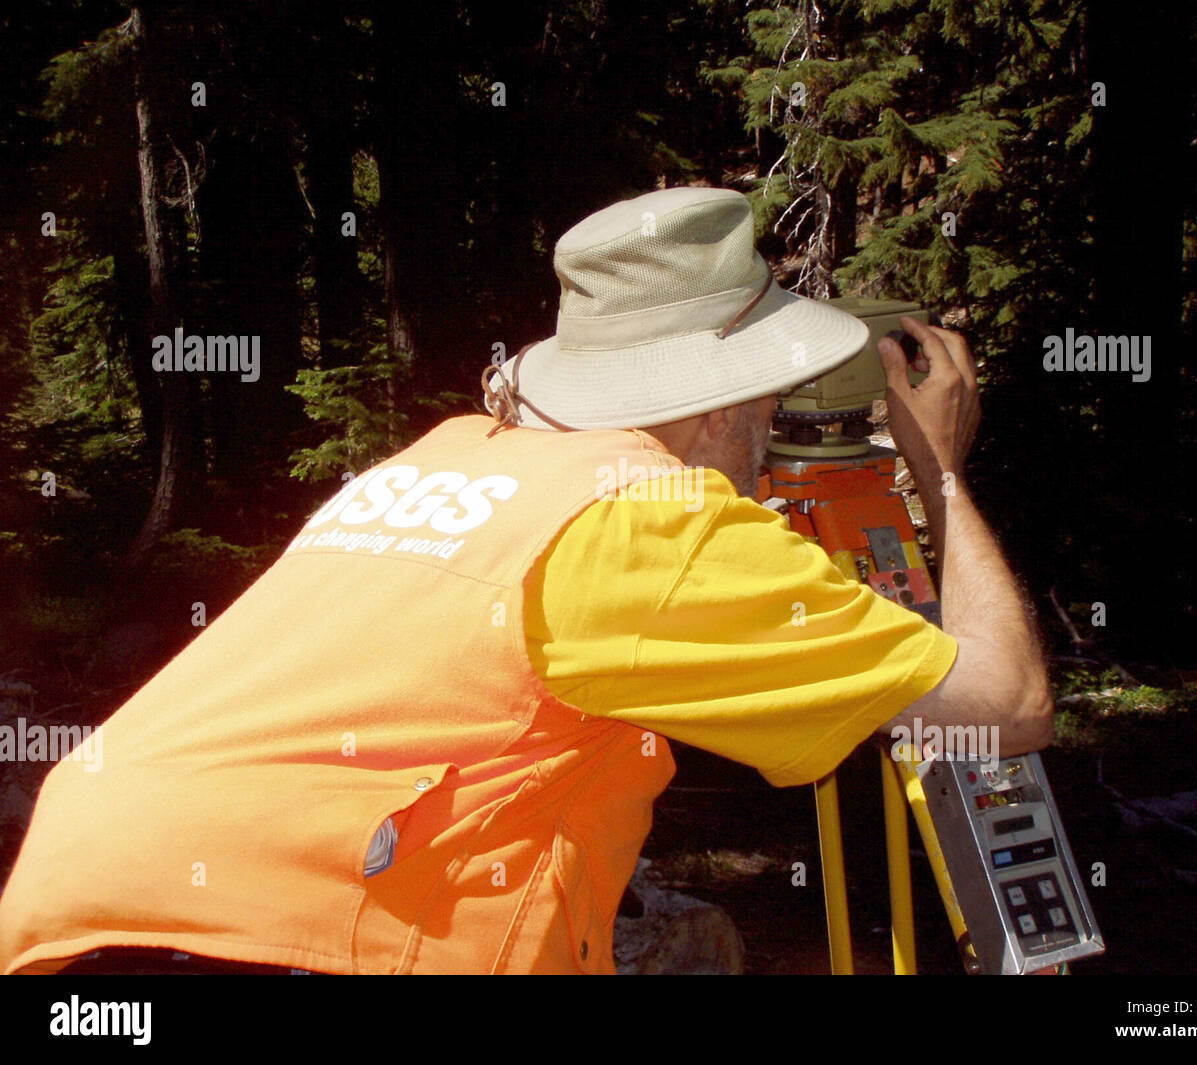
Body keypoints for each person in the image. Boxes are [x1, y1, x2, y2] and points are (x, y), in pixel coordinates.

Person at [0, 186, 1052, 975]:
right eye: (771, 399)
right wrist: (940, 473)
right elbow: (1005, 706)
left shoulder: (454, 455)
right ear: (728, 400)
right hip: (282, 933)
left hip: (90, 914)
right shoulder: (659, 527)